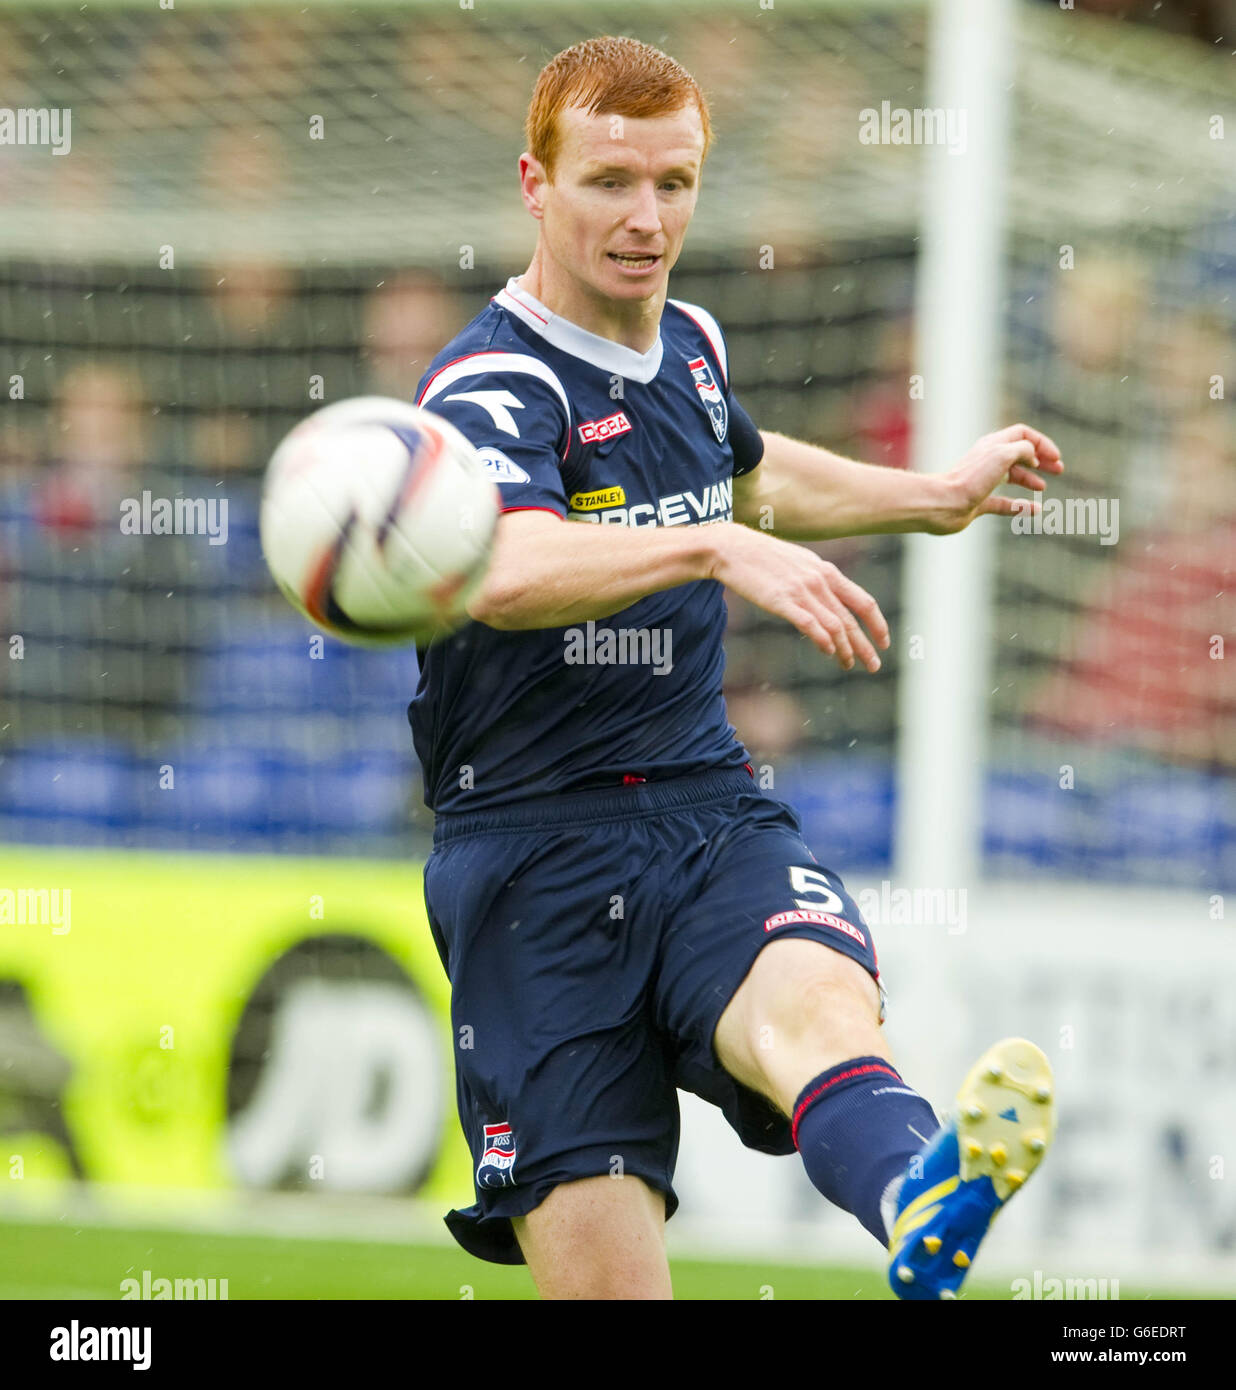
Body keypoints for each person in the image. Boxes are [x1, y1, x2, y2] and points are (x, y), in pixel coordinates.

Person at [410, 36, 1064, 1300]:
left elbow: (749, 471)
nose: (646, 218)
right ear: (535, 185)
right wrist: (709, 548)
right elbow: (504, 563)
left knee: (819, 1006)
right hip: (532, 863)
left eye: (675, 182)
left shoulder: (694, 344)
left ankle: (917, 1190)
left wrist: (929, 495)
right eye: (609, 181)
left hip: (706, 810)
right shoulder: (493, 382)